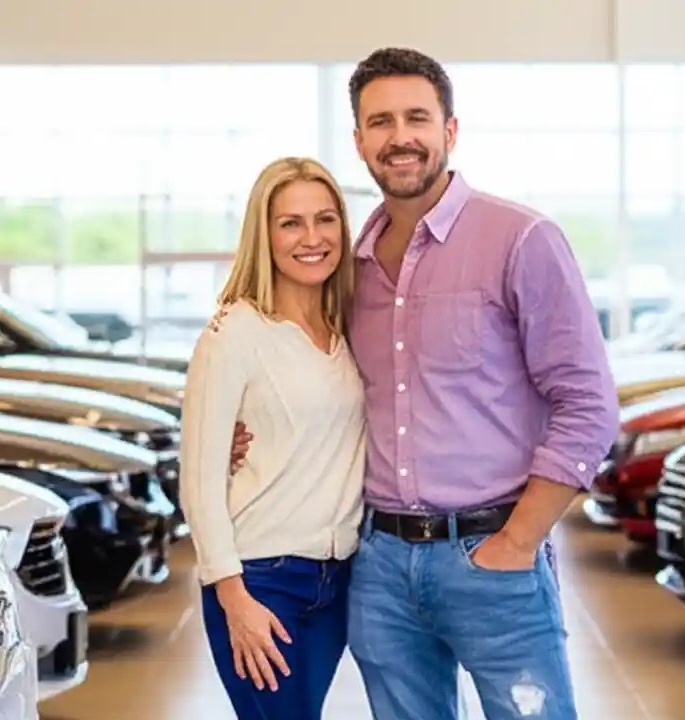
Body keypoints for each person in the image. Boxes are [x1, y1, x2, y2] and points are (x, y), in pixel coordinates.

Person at [230, 48, 620, 720]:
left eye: (417, 117)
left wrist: (519, 540)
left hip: (494, 553)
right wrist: (246, 434)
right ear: (359, 141)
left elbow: (588, 404)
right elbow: (317, 384)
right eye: (380, 121)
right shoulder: (345, 269)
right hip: (378, 566)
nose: (400, 136)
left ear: (450, 130)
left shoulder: (521, 239)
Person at [179, 156, 365, 720]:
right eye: (291, 223)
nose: (312, 238)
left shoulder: (347, 328)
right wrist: (233, 597)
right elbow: (199, 479)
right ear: (264, 235)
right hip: (262, 579)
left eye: (325, 219)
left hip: (338, 579)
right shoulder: (234, 331)